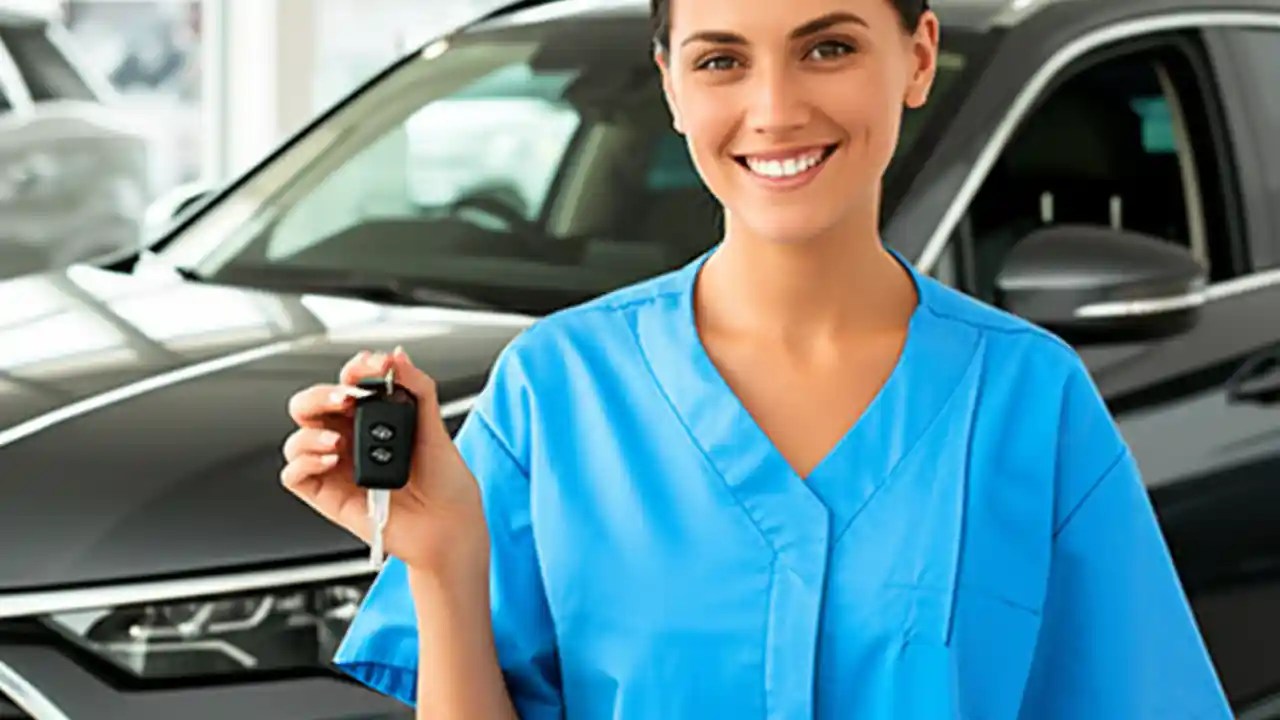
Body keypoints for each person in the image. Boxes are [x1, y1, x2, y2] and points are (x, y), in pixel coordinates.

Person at [281, 0, 1233, 717]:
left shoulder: (1031, 400)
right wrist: (443, 560)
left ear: (917, 55)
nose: (774, 109)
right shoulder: (555, 391)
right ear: (670, 82)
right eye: (722, 60)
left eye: (828, 47)